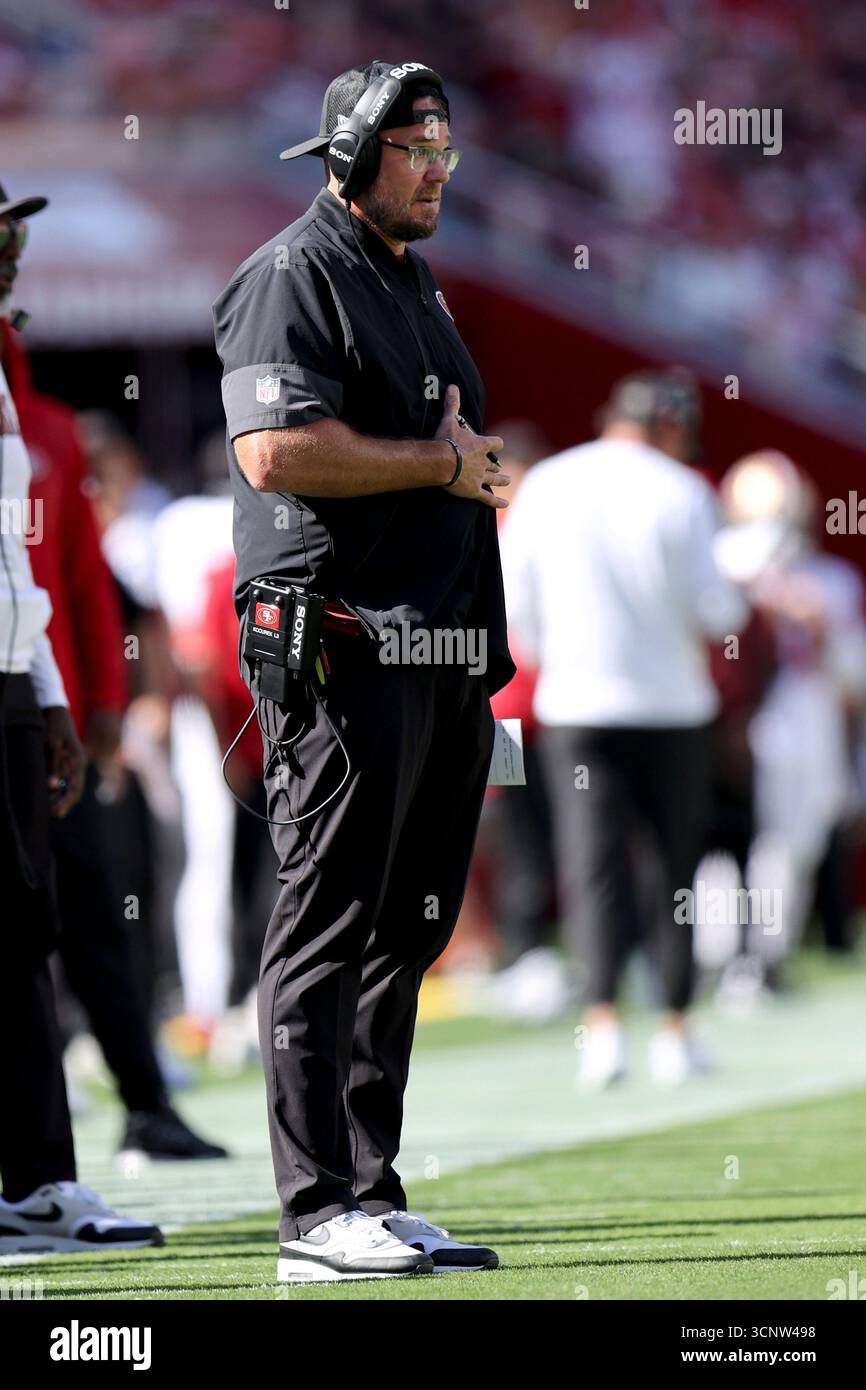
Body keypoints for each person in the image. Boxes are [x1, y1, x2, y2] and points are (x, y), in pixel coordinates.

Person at [213, 59, 513, 1282]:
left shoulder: (408, 274)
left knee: (408, 926)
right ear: (349, 156)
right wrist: (435, 469)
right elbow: (273, 448)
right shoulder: (291, 272)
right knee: (327, 922)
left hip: (435, 647)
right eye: (413, 147)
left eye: (445, 147)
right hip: (343, 636)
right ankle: (309, 1210)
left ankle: (367, 1187)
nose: (437, 168)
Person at [2, 319, 227, 1161]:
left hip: (43, 714)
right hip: (27, 706)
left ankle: (143, 1103)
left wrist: (99, 704)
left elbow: (83, 577)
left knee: (93, 910)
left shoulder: (53, 430)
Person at [501, 369, 749, 1086]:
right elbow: (719, 612)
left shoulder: (549, 483)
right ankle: (674, 1024)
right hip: (673, 707)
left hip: (578, 705)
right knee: (671, 868)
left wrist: (563, 656)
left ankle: (603, 1023)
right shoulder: (685, 491)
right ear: (669, 427)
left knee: (591, 864)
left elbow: (518, 602)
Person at [0, 180, 162, 1251]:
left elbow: (14, 552)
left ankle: (36, 1179)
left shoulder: (6, 370)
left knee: (23, 928)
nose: (13, 249)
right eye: (0, 232)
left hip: (8, 677)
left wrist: (51, 691)